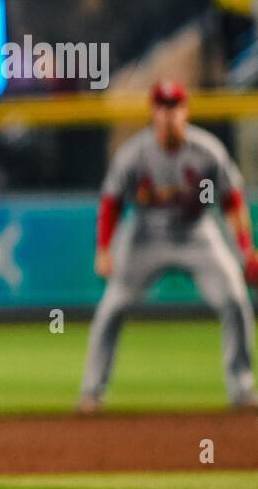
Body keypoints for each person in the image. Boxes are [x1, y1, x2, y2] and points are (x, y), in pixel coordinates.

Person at [78, 80, 258, 414]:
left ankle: (242, 390)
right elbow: (111, 202)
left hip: (197, 233)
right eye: (162, 106)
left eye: (174, 106)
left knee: (234, 299)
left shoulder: (208, 151)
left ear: (185, 111)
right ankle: (91, 392)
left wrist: (246, 248)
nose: (168, 114)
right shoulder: (135, 154)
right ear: (152, 113)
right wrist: (103, 248)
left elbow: (232, 201)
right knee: (111, 308)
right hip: (145, 235)